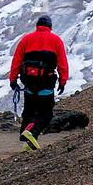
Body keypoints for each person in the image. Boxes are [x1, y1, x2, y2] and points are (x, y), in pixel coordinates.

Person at [9, 14, 69, 151]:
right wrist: (63, 81)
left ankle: (27, 141)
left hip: (29, 81)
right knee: (46, 113)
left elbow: (16, 61)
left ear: (37, 26)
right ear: (50, 27)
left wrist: (13, 80)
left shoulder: (26, 39)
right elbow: (62, 63)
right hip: (46, 82)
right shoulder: (56, 40)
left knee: (29, 110)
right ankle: (31, 132)